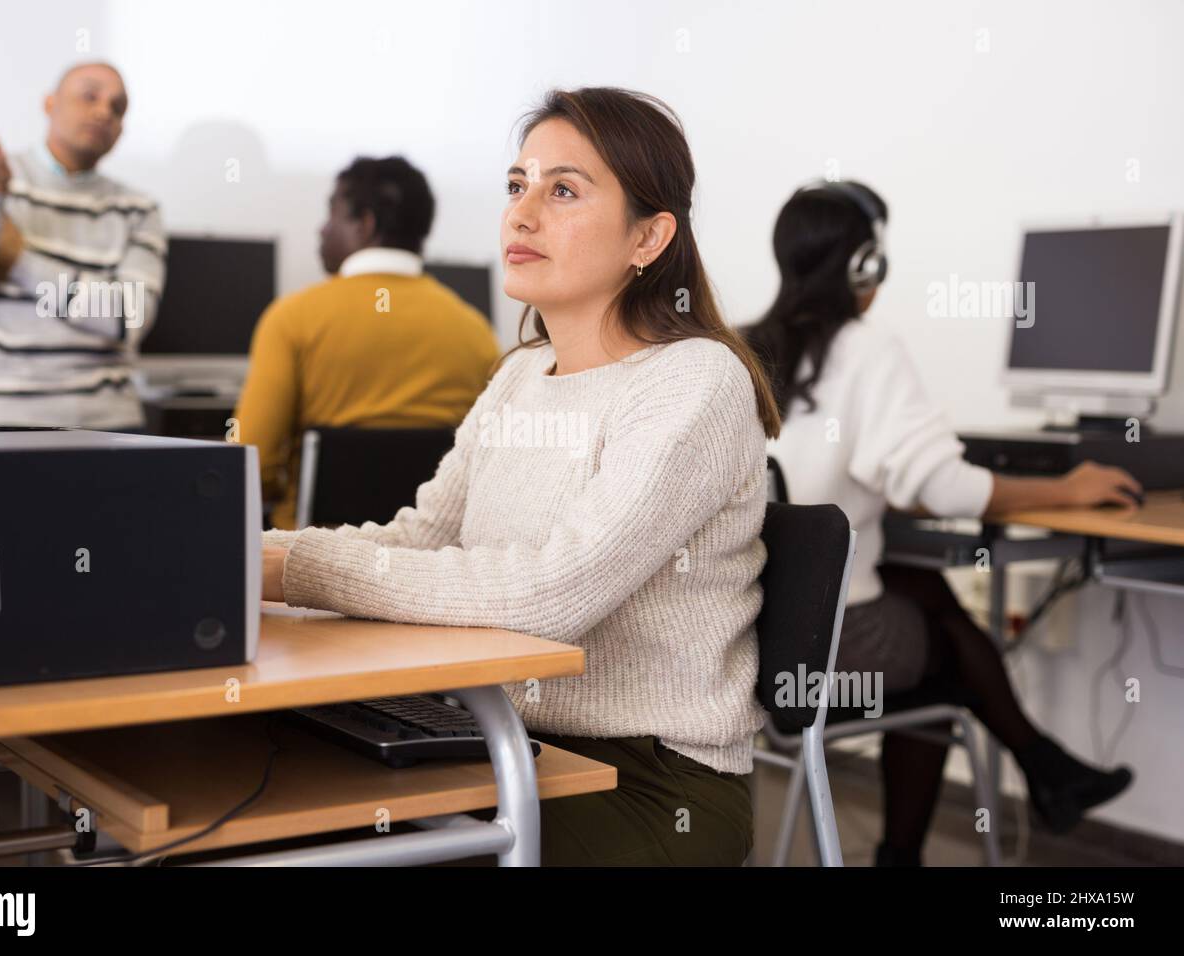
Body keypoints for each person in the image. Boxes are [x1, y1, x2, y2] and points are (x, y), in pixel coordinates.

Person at [259, 88, 782, 865]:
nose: (521, 214)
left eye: (562, 190)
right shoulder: (520, 377)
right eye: (516, 185)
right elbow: (418, 537)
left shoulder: (694, 382)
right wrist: (256, 561)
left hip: (649, 780)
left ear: (650, 236)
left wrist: (292, 566)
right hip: (494, 736)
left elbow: (549, 595)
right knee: (258, 801)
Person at [742, 180, 1135, 866]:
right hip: (824, 653)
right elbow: (942, 485)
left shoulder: (739, 348)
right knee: (953, 654)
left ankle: (1049, 774)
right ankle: (1011, 789)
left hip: (748, 640)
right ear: (868, 265)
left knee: (915, 585)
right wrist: (1064, 487)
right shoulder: (866, 348)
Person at [233, 156, 498, 530]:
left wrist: (288, 480)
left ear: (366, 223)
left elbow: (248, 465)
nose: (322, 230)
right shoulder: (476, 331)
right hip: (425, 562)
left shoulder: (291, 319)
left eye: (333, 214)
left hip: (308, 564)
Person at [0, 62, 165, 429]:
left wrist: (18, 262)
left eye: (117, 107)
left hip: (106, 428)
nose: (103, 111)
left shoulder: (138, 209)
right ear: (49, 103)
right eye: (89, 96)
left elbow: (127, 318)